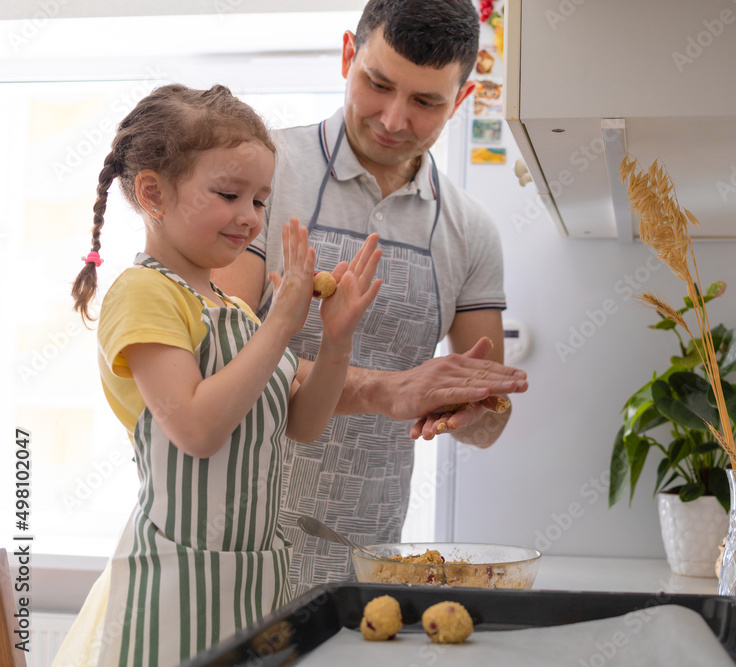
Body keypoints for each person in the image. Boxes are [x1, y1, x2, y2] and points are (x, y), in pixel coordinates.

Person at [57, 83, 383, 666]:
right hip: (173, 589)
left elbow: (304, 423)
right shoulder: (143, 293)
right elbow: (197, 429)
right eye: (230, 194)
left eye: (260, 201)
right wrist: (281, 323)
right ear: (153, 193)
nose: (250, 218)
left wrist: (336, 340)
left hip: (255, 581)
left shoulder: (234, 310)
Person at [212, 0, 527, 595]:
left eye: (426, 101)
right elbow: (221, 360)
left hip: (365, 561)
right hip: (233, 550)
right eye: (377, 84)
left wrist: (477, 409)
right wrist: (389, 390)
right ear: (347, 57)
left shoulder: (471, 231)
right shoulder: (260, 178)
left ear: (460, 100)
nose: (393, 119)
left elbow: (487, 424)